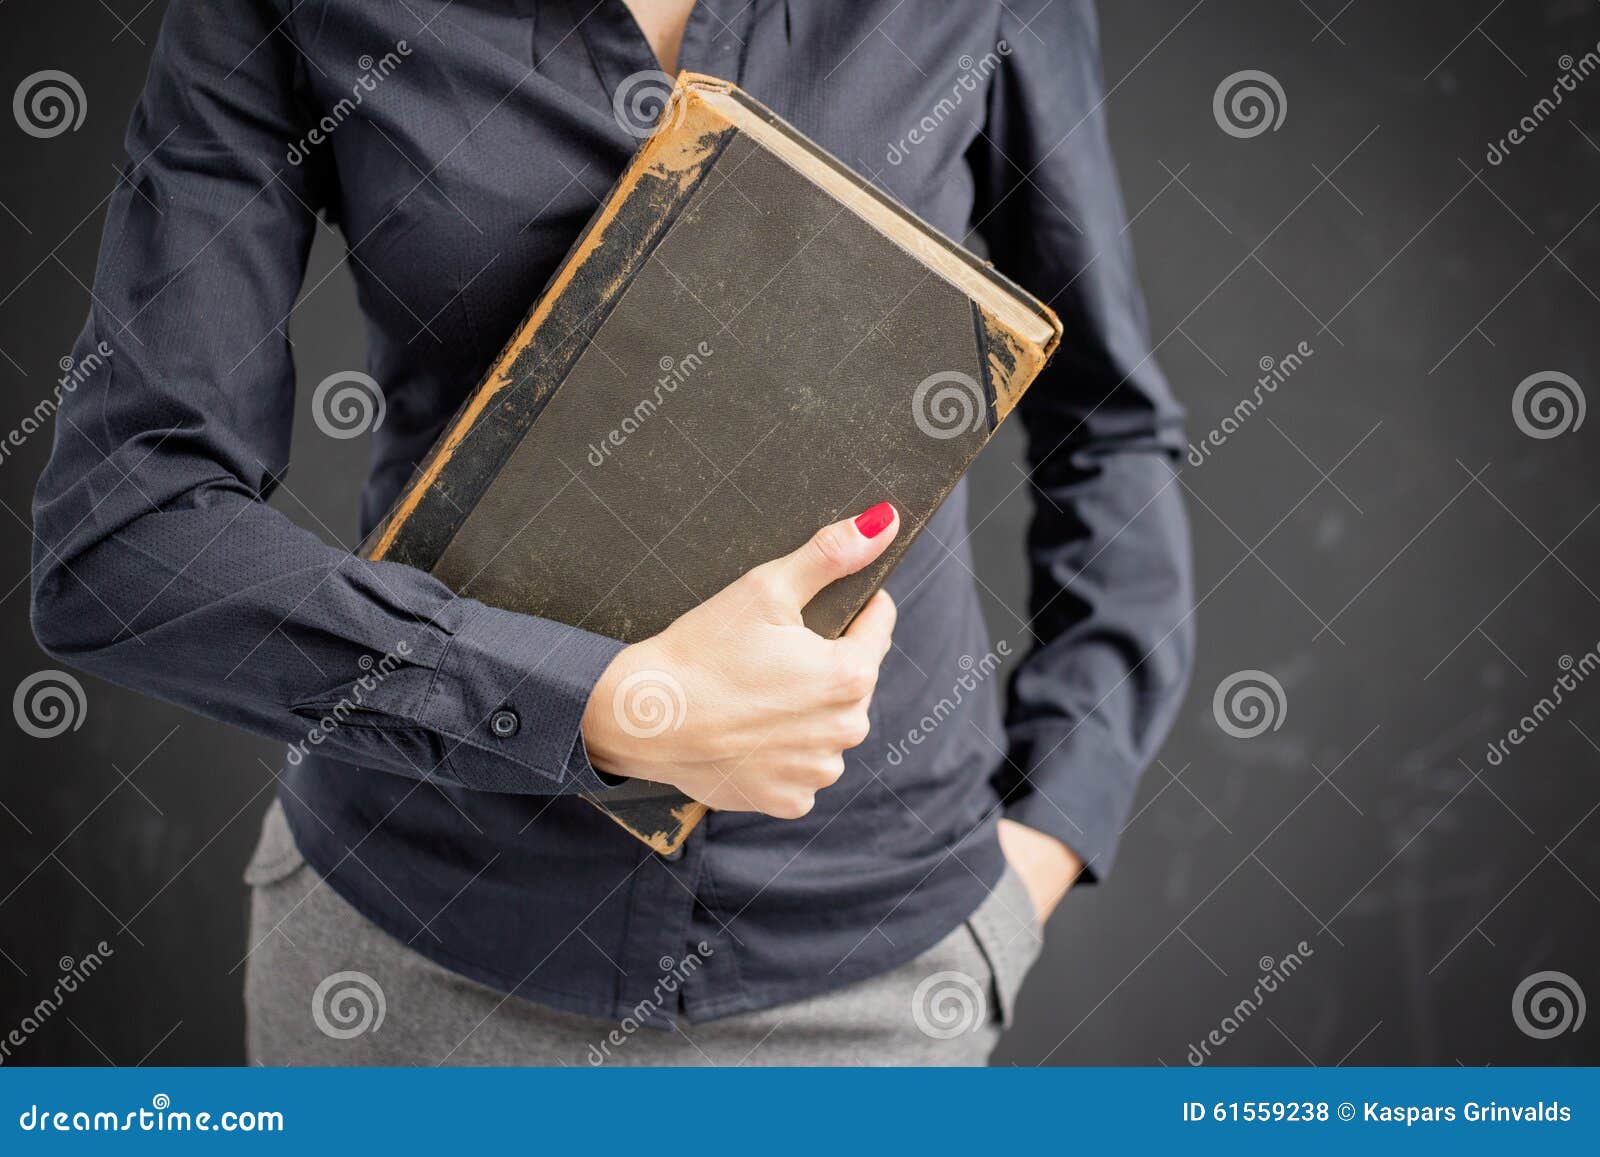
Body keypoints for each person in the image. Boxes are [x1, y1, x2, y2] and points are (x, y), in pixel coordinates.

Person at [31, 0, 1192, 1065]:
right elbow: (124, 528)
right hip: (409, 972)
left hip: (873, 991)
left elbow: (1111, 425)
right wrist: (611, 706)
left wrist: (1051, 832)